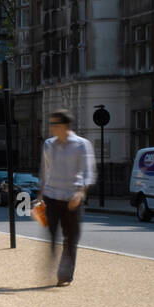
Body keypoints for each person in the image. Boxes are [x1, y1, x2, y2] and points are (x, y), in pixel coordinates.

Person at [39, 108, 96, 288]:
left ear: (64, 125)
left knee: (71, 238)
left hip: (73, 199)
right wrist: (40, 195)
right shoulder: (48, 144)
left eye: (54, 124)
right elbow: (45, 170)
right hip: (51, 196)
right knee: (51, 235)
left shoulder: (81, 145)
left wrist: (81, 192)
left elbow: (88, 171)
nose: (51, 127)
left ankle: (64, 275)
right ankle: (52, 264)